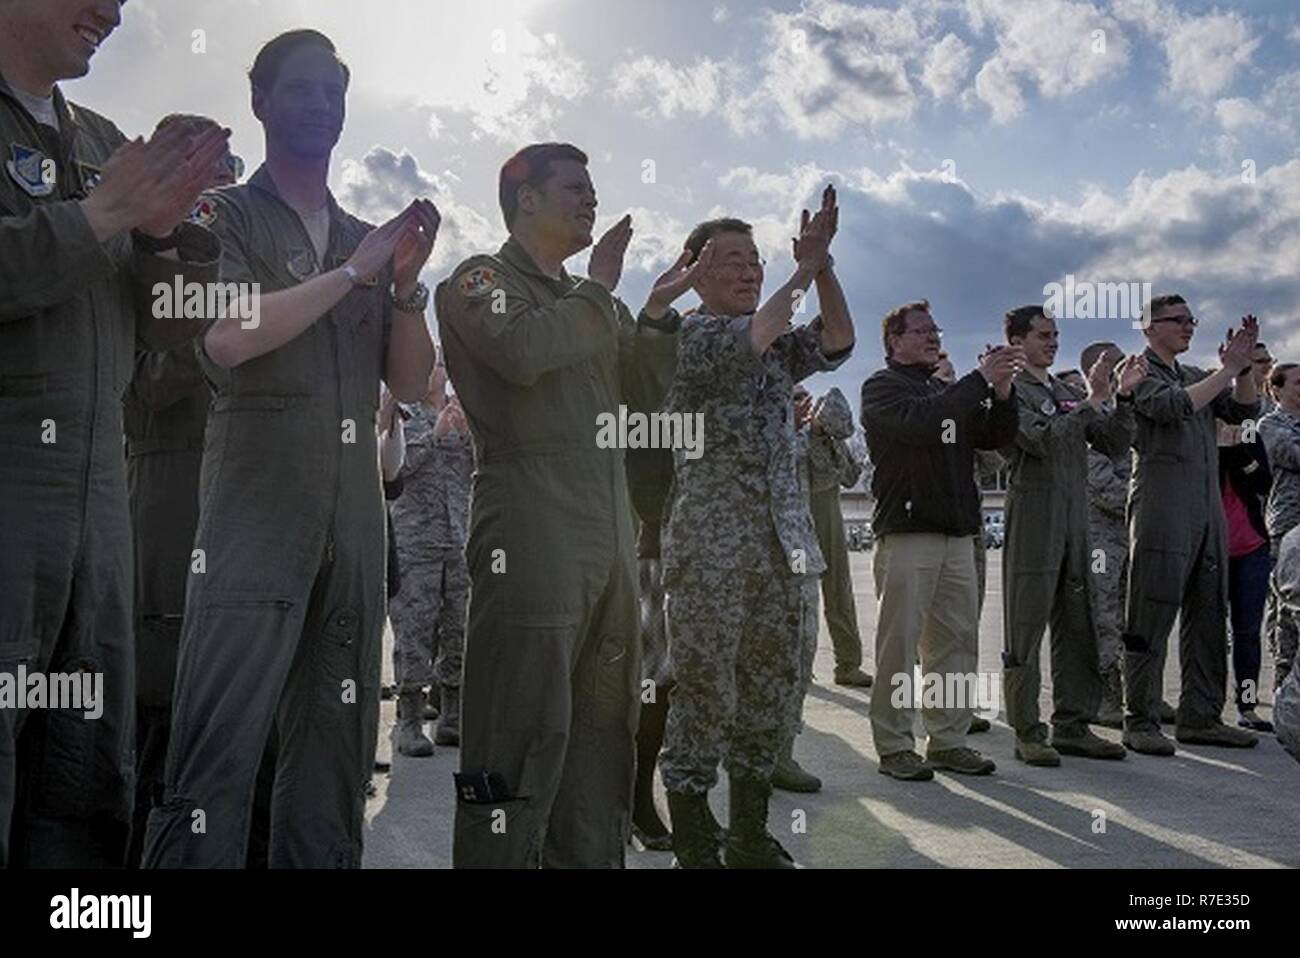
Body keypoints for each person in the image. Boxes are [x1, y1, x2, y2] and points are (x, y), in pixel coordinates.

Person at [143, 29, 438, 868]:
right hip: (254, 511)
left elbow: (411, 384)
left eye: (333, 92)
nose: (321, 105)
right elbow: (227, 335)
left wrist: (404, 288)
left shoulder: (361, 234)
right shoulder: (224, 216)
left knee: (335, 750)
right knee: (218, 744)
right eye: (302, 88)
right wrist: (351, 275)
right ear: (261, 102)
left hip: (353, 520)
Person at [1, 0, 227, 867]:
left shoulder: (102, 141)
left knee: (85, 770)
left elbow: (167, 326)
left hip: (97, 509)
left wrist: (166, 235)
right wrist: (97, 217)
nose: (113, 11)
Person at [438, 142, 686, 869]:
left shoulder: (591, 299)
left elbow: (643, 397)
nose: (591, 200)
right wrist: (599, 289)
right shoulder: (481, 280)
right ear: (527, 200)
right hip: (531, 519)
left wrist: (656, 317)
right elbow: (520, 351)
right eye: (575, 188)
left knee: (601, 730)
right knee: (520, 726)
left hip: (606, 524)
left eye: (592, 189)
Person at [659, 189, 854, 868]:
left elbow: (838, 339)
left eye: (756, 261)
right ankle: (693, 841)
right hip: (713, 551)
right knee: (706, 691)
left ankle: (747, 835)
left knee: (770, 692)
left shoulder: (775, 344)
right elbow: (755, 335)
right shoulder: (691, 335)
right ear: (696, 271)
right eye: (732, 261)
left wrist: (823, 268)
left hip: (782, 548)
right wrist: (803, 272)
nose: (749, 272)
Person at [124, 112, 242, 868]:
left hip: (243, 492)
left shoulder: (242, 259)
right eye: (206, 171)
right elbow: (139, 388)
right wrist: (217, 340)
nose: (222, 185)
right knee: (163, 709)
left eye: (229, 170)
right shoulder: (140, 255)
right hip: (172, 491)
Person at [861, 302, 1020, 781]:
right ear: (894, 341)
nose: (933, 337)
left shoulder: (944, 391)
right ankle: (894, 745)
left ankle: (948, 741)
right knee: (899, 645)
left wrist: (1002, 390)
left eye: (936, 330)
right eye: (922, 330)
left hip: (957, 535)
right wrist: (977, 379)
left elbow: (994, 435)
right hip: (909, 534)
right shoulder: (882, 387)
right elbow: (923, 422)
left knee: (955, 644)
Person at [1000, 306, 1139, 766]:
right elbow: (1042, 440)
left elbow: (1113, 442)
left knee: (1078, 621)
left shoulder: (1064, 392)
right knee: (1026, 624)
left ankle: (1073, 724)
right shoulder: (1009, 391)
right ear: (1017, 341)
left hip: (1075, 515)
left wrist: (1122, 397)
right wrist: (1091, 400)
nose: (1053, 342)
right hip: (1034, 512)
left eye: (1056, 334)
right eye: (1043, 335)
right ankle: (1027, 729)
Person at [1121, 297, 1260, 755]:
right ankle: (1140, 719)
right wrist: (1227, 370)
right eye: (1177, 320)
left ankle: (1201, 716)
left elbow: (1243, 411)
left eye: (1191, 320)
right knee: (1151, 610)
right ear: (1149, 327)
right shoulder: (1138, 371)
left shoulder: (1195, 374)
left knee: (1208, 615)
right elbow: (1173, 407)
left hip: (1205, 508)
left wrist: (1242, 370)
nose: (1188, 327)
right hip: (1162, 507)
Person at [389, 357, 473, 755]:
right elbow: (396, 468)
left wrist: (468, 433)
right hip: (416, 543)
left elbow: (482, 466)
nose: (431, 370)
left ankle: (451, 716)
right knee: (414, 630)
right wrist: (435, 435)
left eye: (437, 363)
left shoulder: (461, 413)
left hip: (458, 542)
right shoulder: (404, 415)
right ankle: (409, 720)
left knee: (458, 630)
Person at [932, 354, 995, 734]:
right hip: (932, 529)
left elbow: (994, 462)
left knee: (966, 622)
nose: (952, 384)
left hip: (969, 528)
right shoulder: (926, 413)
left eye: (955, 376)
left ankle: (959, 707)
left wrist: (979, 412)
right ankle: (935, 706)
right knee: (933, 629)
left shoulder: (965, 415)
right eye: (944, 377)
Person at [806, 385, 873, 689]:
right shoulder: (792, 437)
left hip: (830, 520)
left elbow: (850, 478)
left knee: (840, 594)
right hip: (800, 521)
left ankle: (848, 664)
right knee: (801, 597)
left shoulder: (835, 442)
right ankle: (799, 665)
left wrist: (835, 445)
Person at [1217, 421, 1274, 731]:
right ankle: (1206, 705)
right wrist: (1219, 448)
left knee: (1248, 633)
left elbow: (1263, 482)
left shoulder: (1249, 433)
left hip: (1251, 548)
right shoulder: (1198, 433)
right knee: (1207, 632)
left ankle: (1247, 705)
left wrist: (1237, 449)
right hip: (1210, 549)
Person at [1261, 363, 1300, 688]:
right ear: (1277, 389)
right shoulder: (1271, 424)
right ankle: (1282, 677)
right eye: (1299, 382)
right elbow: (1293, 456)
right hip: (1287, 525)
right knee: (1286, 606)